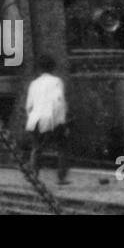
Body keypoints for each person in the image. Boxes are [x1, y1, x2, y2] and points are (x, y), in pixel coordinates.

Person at [25, 55, 71, 184]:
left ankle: (34, 176)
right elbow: (59, 102)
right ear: (53, 68)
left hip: (35, 120)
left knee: (36, 148)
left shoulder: (33, 83)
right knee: (62, 147)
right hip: (52, 119)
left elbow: (29, 105)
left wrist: (32, 116)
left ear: (40, 69)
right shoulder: (57, 81)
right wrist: (62, 122)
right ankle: (61, 177)